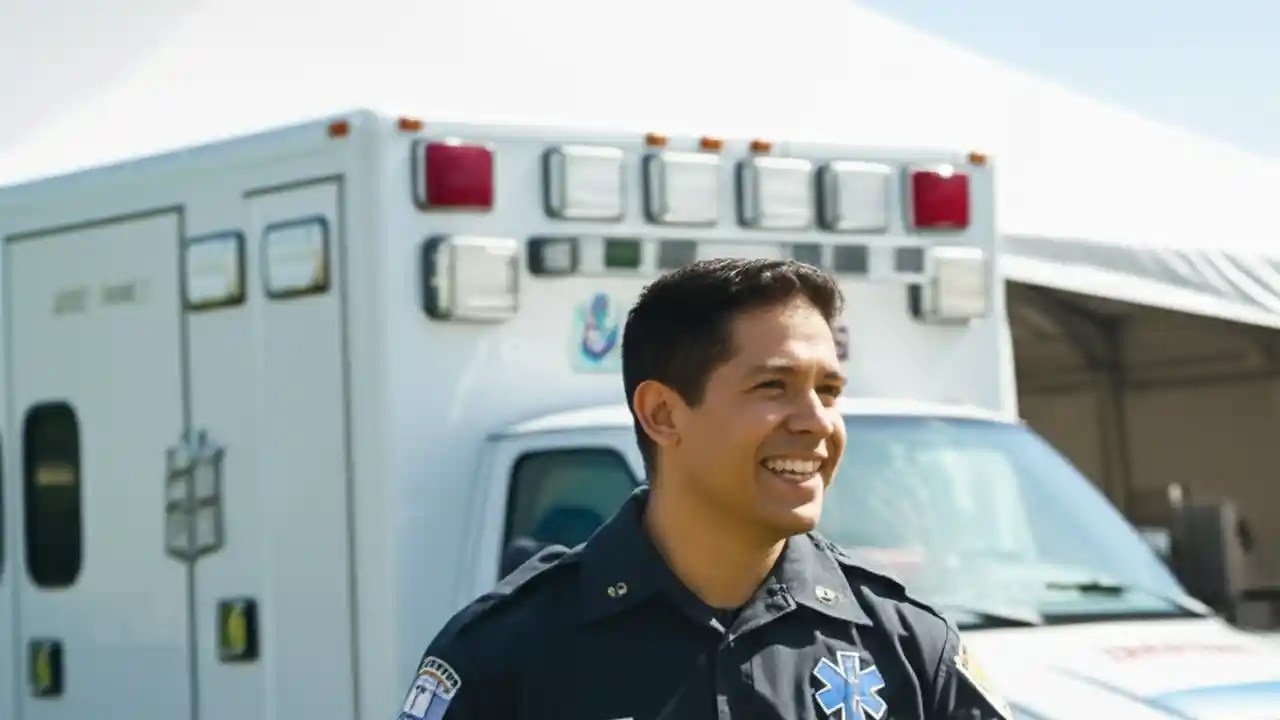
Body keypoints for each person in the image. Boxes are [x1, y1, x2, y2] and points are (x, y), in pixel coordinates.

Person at [396, 258, 1013, 719]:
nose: (817, 421)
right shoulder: (510, 654)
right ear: (663, 414)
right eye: (773, 387)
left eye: (828, 391)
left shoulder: (908, 649)